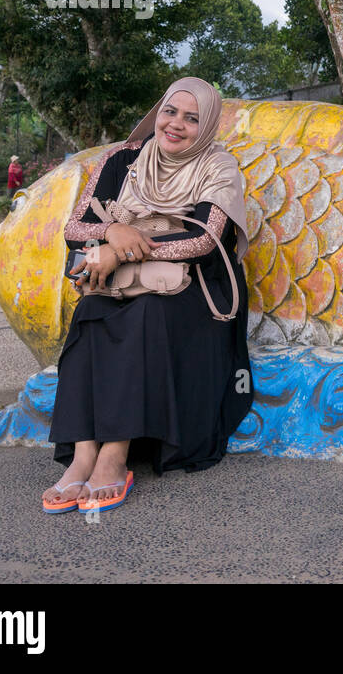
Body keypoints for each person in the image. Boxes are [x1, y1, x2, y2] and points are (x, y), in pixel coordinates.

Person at [41, 77, 253, 514]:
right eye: (170, 112)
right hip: (124, 278)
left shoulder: (219, 167)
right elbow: (74, 228)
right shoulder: (123, 159)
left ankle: (114, 455)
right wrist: (112, 231)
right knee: (92, 310)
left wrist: (118, 250)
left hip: (197, 289)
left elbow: (204, 242)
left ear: (208, 125)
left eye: (192, 119)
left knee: (146, 316)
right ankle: (83, 453)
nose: (176, 124)